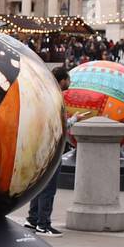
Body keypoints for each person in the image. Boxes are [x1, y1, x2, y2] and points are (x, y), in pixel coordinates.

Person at [25, 66, 73, 236]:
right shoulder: (55, 97)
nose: (69, 83)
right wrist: (74, 120)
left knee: (38, 185)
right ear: (62, 81)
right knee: (48, 187)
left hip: (39, 147)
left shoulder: (42, 94)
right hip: (51, 147)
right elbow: (57, 124)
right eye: (68, 80)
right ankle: (43, 224)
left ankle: (32, 220)